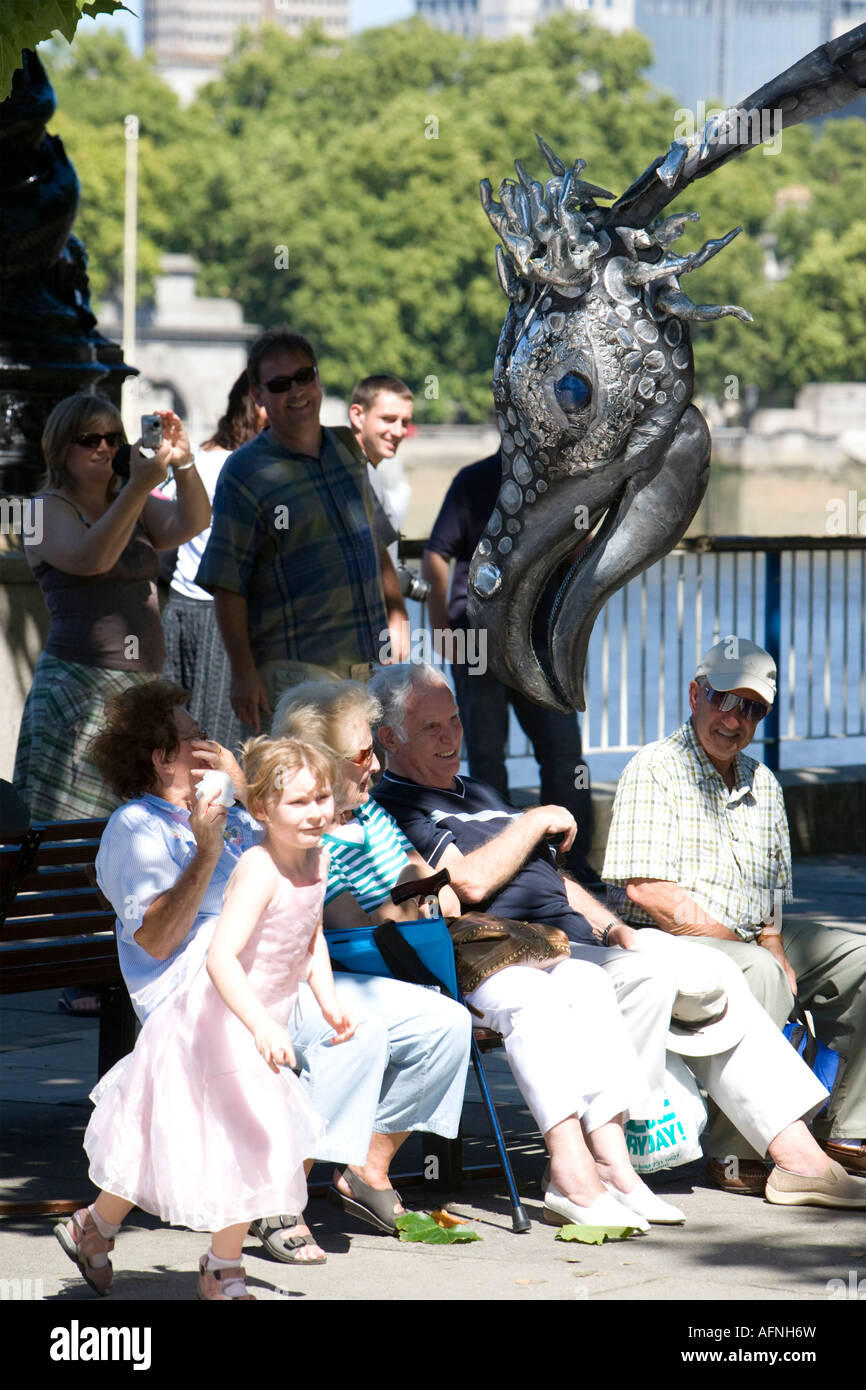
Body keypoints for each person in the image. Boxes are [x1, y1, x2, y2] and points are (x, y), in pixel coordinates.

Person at [369, 662, 866, 1212]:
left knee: (718, 978)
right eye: (433, 727)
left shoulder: (476, 789)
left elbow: (553, 876)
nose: (452, 736)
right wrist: (535, 819)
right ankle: (625, 1144)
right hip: (519, 953)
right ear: (389, 738)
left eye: (456, 720)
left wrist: (615, 925)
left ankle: (798, 1159)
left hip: (584, 939)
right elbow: (467, 881)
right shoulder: (398, 803)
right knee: (654, 977)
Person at [54, 737, 354, 1301]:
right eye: (299, 803)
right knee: (252, 1138)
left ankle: (94, 1226)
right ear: (260, 810)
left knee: (177, 1138)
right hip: (217, 1020)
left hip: (258, 1018)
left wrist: (329, 998)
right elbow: (219, 958)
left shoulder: (319, 857)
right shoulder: (258, 870)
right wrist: (262, 1026)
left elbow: (309, 931)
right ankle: (222, 1268)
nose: (316, 813)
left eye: (322, 798)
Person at [603, 635, 866, 1187]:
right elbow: (650, 893)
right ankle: (735, 1150)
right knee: (758, 972)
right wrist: (755, 949)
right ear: (696, 693)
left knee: (858, 958)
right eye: (725, 699)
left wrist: (771, 940)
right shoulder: (656, 768)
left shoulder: (763, 782)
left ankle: (846, 1126)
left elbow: (772, 891)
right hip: (660, 940)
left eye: (753, 708)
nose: (735, 718)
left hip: (744, 935)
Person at [271, 680, 474, 1236]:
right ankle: (276, 1190)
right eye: (365, 753)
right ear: (320, 762)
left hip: (412, 961)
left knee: (451, 1026)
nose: (378, 765)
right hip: (357, 970)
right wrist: (413, 904)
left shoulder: (373, 816)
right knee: (405, 1025)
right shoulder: (312, 838)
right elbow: (351, 927)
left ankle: (368, 1166)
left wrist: (415, 900)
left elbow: (435, 887)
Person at [196, 329, 409, 735]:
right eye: (280, 384)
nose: (296, 391)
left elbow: (376, 545)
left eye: (304, 376)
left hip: (367, 670)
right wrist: (242, 673)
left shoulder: (349, 449)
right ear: (258, 397)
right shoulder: (245, 471)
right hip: (295, 677)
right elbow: (227, 585)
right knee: (303, 792)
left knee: (359, 791)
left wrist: (397, 616)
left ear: (318, 379)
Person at [14, 394, 210, 826]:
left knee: (135, 824)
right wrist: (139, 485)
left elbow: (192, 523)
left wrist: (184, 463)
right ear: (60, 447)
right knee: (70, 830)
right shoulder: (39, 510)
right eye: (88, 439)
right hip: (80, 691)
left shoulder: (131, 502)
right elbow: (92, 559)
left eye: (112, 438)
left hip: (141, 691)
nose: (103, 447)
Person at [422, 448, 599, 887]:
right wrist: (442, 628)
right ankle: (498, 863)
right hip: (477, 641)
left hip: (542, 646)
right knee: (487, 759)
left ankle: (571, 865)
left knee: (563, 758)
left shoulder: (563, 478)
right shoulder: (473, 479)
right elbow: (436, 553)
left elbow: (584, 548)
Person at [161, 370, 266, 749]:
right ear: (256, 409)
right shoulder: (249, 467)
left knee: (178, 732)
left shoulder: (200, 458)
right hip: (221, 612)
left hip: (178, 607)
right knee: (218, 739)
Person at [346, 374, 413, 567]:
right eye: (388, 419)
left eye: (405, 422)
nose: (399, 431)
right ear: (357, 416)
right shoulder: (352, 473)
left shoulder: (366, 470)